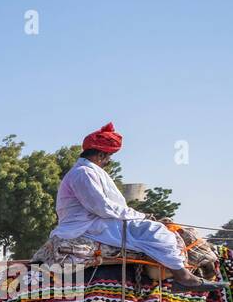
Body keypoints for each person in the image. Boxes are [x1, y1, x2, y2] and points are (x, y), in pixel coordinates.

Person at [50, 124, 225, 292]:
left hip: (96, 222)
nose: (108, 162)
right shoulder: (83, 173)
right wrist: (141, 216)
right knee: (155, 230)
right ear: (101, 155)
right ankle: (184, 278)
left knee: (157, 228)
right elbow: (101, 207)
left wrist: (138, 216)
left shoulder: (88, 171)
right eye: (109, 157)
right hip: (87, 226)